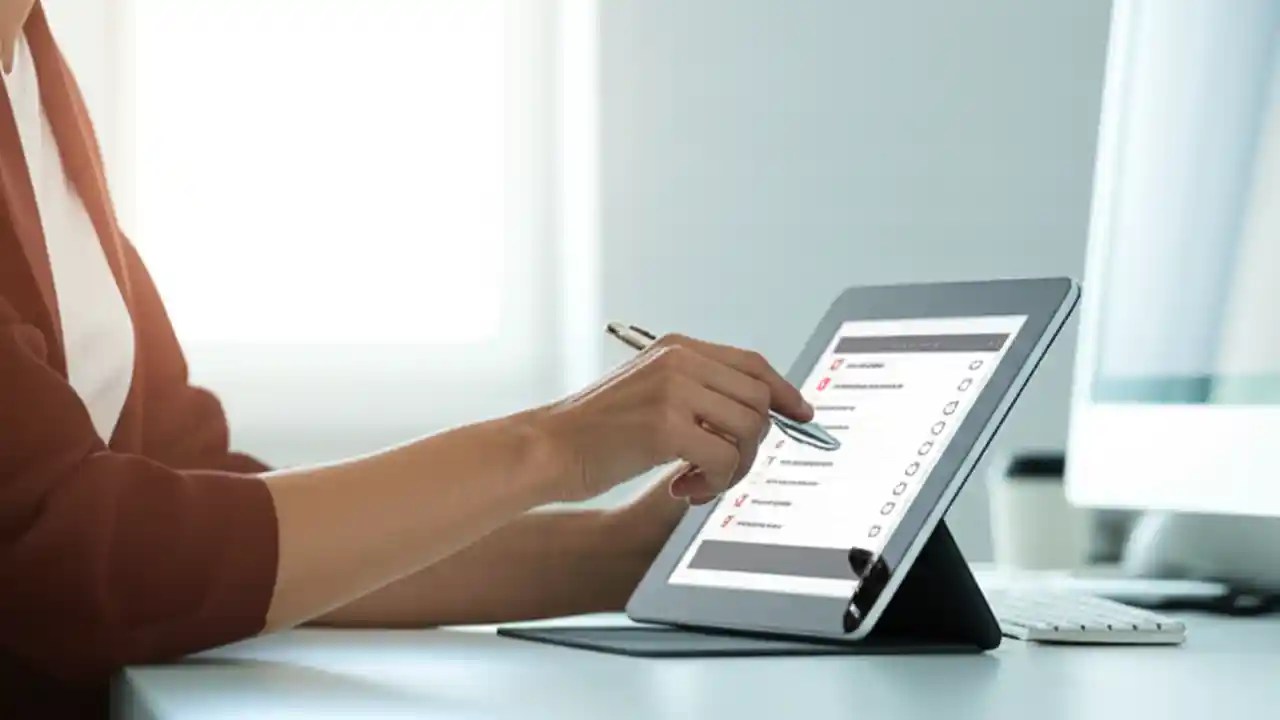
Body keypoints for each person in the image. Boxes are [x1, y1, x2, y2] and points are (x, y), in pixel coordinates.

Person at [0, 2, 812, 716]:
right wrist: (557, 448)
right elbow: (81, 558)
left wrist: (626, 553)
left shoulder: (33, 62)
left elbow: (207, 514)